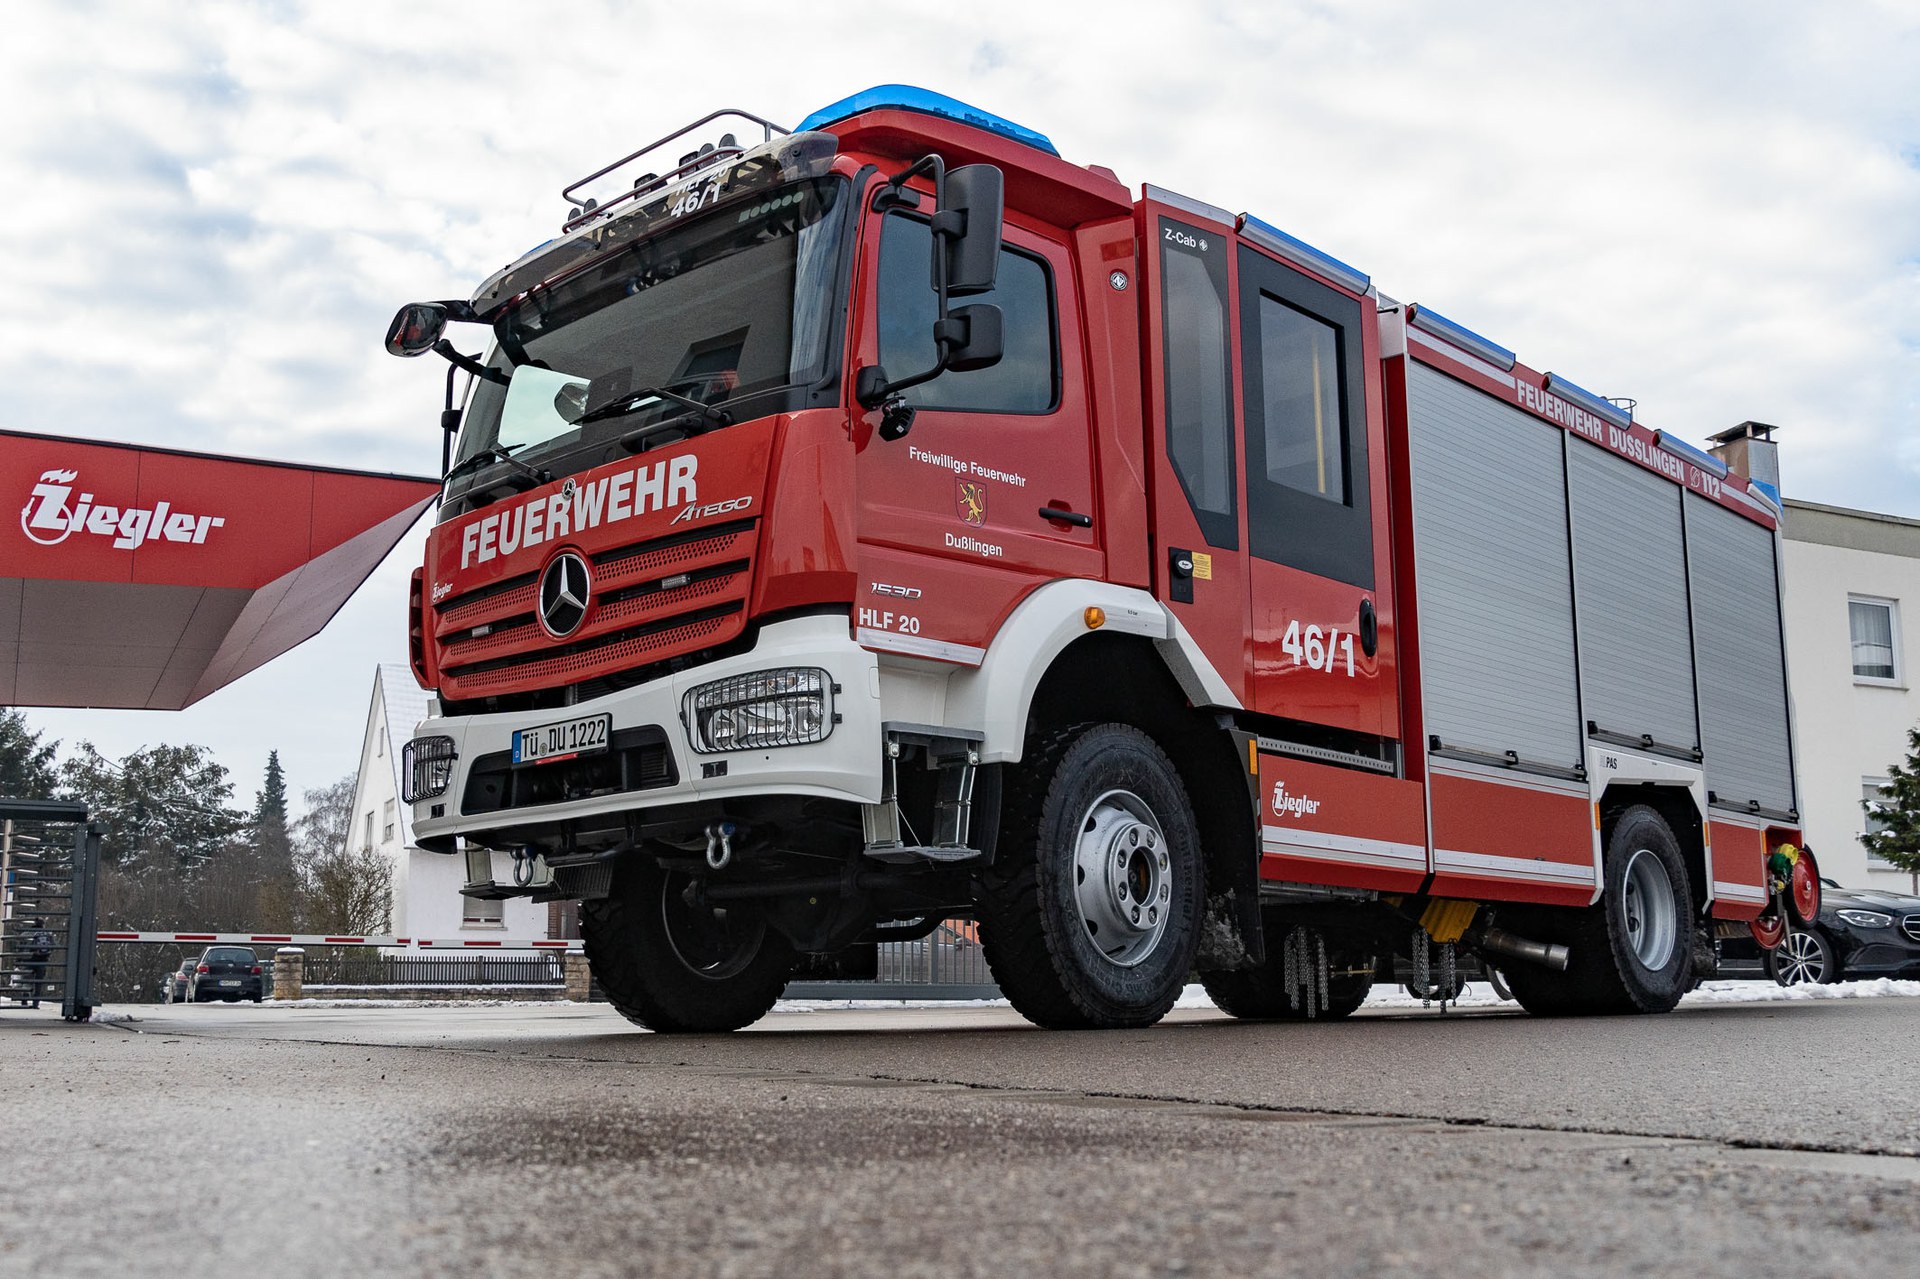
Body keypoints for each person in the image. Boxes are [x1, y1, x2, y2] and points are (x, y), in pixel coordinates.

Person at [21, 920, 55, 1010]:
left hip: (29, 959)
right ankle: (36, 1003)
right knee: (39, 982)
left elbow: (22, 944)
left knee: (27, 979)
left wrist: (20, 958)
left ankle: (24, 999)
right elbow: (53, 946)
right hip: (43, 960)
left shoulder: (28, 933)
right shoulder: (47, 934)